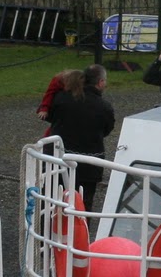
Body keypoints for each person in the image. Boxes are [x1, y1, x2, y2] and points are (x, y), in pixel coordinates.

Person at [47, 64, 114, 210]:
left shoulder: (62, 98)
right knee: (83, 205)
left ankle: (49, 230)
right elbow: (107, 129)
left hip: (58, 159)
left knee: (53, 200)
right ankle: (80, 230)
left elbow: (50, 117)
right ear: (100, 82)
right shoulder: (104, 106)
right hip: (89, 164)